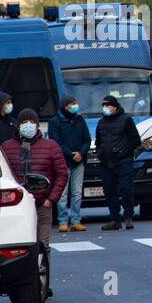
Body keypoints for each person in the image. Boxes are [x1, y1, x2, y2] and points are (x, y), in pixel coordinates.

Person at [1, 109, 67, 298]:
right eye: (24, 122)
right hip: (17, 208)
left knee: (43, 246)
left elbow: (61, 174)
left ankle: (42, 281)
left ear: (37, 124)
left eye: (32, 122)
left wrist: (51, 199)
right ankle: (20, 282)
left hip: (42, 204)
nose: (28, 125)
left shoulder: (51, 146)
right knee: (18, 247)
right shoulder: (7, 147)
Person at [95, 94, 141, 231]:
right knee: (109, 191)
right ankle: (115, 219)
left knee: (126, 189)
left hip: (123, 161)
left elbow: (135, 140)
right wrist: (100, 153)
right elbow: (98, 141)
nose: (105, 108)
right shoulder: (101, 122)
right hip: (106, 163)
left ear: (115, 107)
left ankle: (128, 217)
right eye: (104, 106)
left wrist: (124, 151)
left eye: (108, 105)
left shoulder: (126, 120)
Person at [49, 93, 90, 233]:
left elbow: (87, 139)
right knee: (63, 193)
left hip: (79, 160)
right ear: (65, 106)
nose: (75, 106)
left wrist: (81, 153)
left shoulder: (79, 120)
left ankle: (76, 220)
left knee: (77, 192)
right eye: (72, 104)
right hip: (63, 161)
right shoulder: (54, 122)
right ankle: (62, 221)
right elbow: (56, 142)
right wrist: (71, 154)